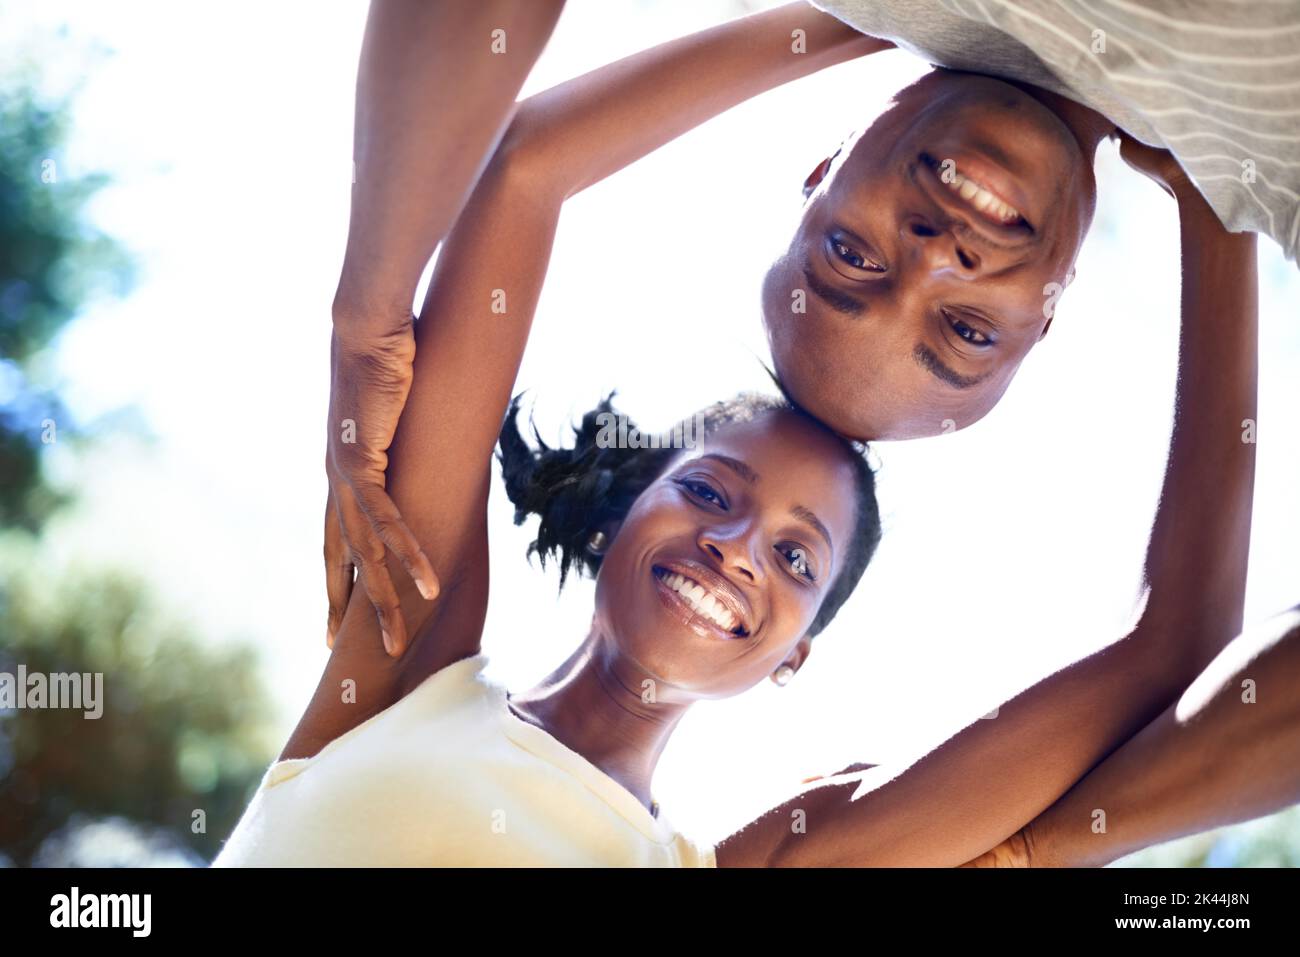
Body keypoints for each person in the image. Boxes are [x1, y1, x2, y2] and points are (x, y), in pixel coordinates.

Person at [212, 7, 1281, 864]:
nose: (733, 550)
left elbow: (530, 166)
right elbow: (1174, 650)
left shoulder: (404, 644)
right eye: (718, 498)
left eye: (786, 550)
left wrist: (874, 20)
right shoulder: (415, 685)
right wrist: (1208, 208)